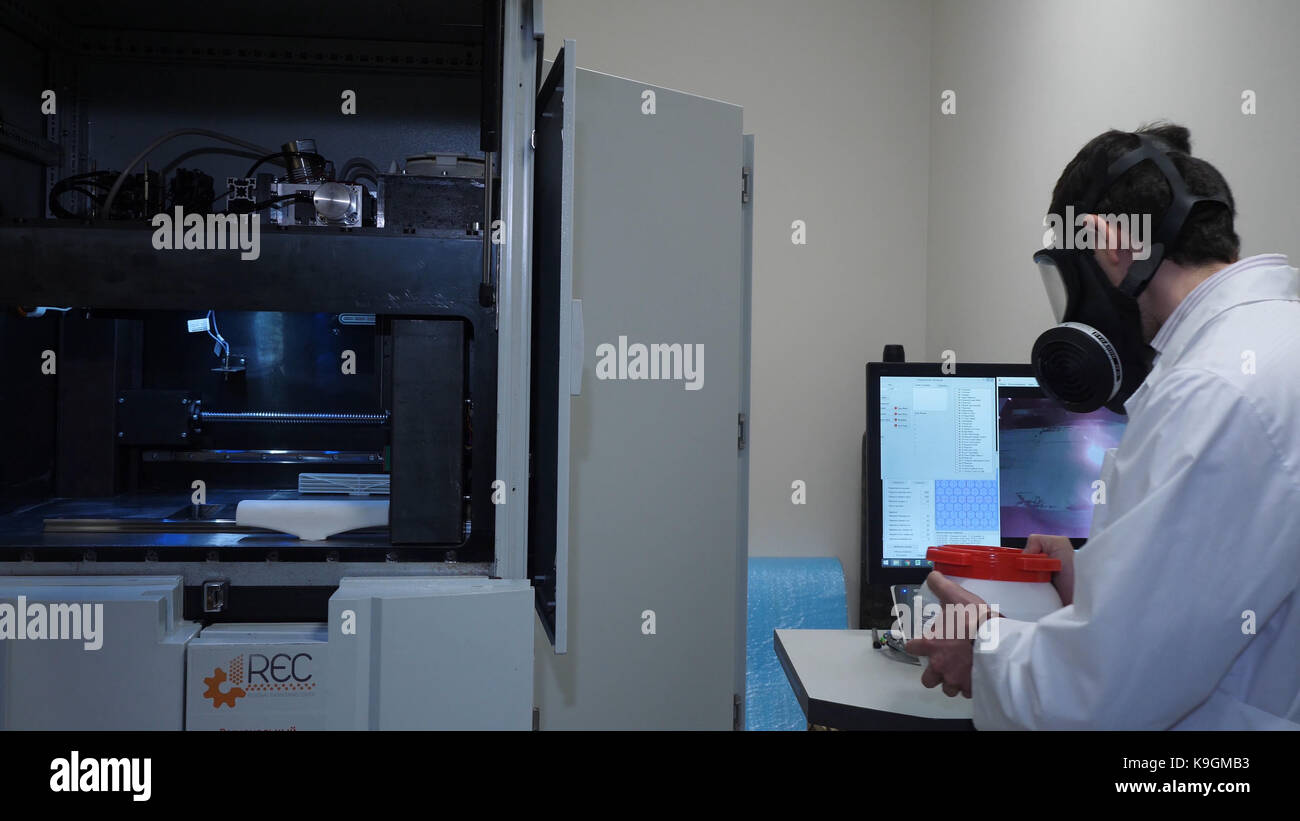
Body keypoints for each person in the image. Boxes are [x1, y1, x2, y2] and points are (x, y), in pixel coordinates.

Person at [907, 123, 1300, 730]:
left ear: (1112, 246)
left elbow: (1104, 697)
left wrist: (983, 646)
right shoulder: (1266, 349)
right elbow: (1210, 592)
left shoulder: (1212, 390)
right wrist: (1090, 580)